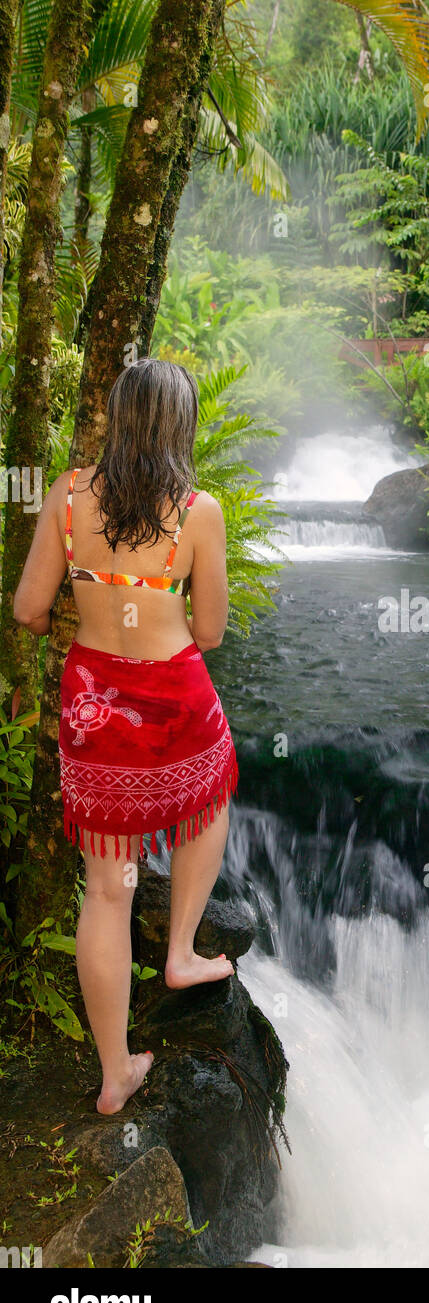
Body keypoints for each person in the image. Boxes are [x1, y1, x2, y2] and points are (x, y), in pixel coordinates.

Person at [13, 359, 239, 1114]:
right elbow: (208, 632)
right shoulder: (197, 510)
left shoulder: (70, 498)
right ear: (181, 426)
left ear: (118, 417)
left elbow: (27, 609)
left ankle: (115, 1074)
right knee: (213, 793)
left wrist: (74, 618)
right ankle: (179, 953)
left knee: (106, 889)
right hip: (173, 699)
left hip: (92, 704)